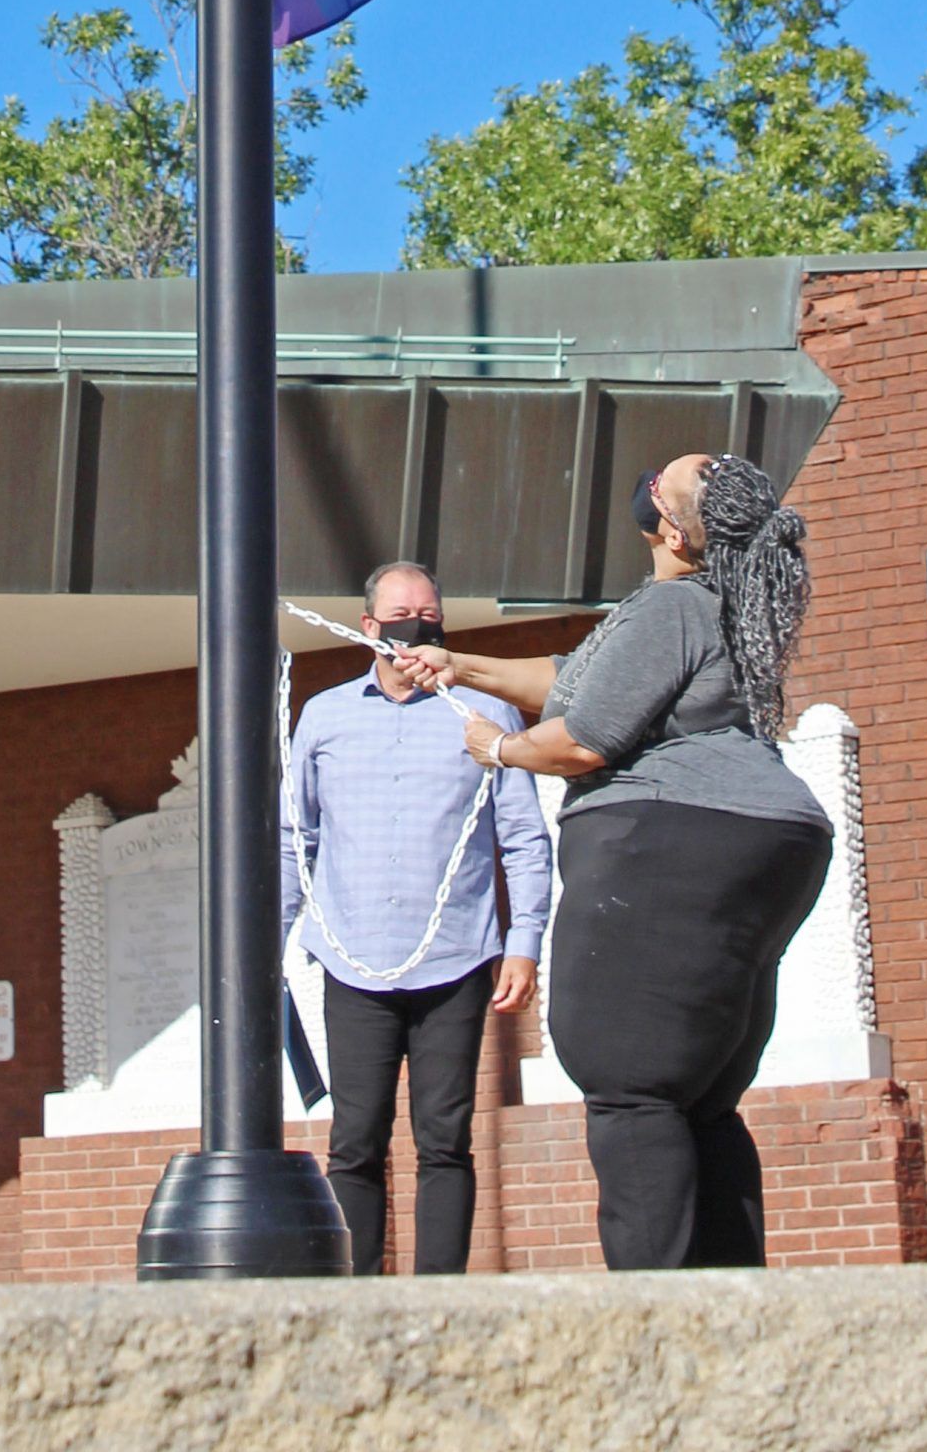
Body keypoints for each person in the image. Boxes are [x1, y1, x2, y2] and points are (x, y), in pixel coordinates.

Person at [402, 454, 831, 1270]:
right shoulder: (726, 605)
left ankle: (652, 1328)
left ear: (669, 528)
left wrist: (501, 749)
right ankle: (735, 1309)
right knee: (700, 1102)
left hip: (670, 840)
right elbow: (576, 683)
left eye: (661, 480)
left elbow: (585, 738)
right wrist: (459, 667)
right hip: (773, 840)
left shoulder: (670, 604)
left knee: (628, 1083)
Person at [279, 561, 553, 1275]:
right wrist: (267, 942)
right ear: (368, 627)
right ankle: (355, 1296)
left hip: (456, 961)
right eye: (401, 615)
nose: (416, 628)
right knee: (356, 1140)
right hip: (354, 962)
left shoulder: (486, 716)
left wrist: (525, 945)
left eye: (430, 616)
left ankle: (440, 1300)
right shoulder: (325, 717)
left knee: (444, 1140)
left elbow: (523, 837)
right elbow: (295, 840)